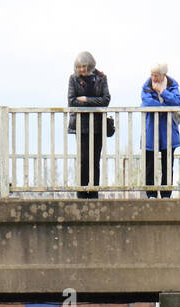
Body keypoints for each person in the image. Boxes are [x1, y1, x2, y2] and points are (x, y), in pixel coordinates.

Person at [67, 52, 110, 198]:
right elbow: (72, 101)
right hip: (81, 124)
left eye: (83, 66)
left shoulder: (101, 78)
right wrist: (93, 102)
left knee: (95, 159)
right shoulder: (73, 79)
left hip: (97, 124)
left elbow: (105, 100)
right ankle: (82, 191)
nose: (81, 70)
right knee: (84, 159)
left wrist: (86, 99)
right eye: (78, 67)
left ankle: (93, 191)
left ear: (90, 65)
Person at [142, 62, 180, 198]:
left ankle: (166, 194)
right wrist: (165, 106)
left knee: (167, 165)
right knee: (149, 165)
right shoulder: (146, 86)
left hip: (168, 131)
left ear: (163, 75)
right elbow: (146, 103)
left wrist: (162, 92)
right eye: (152, 75)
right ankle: (151, 193)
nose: (154, 78)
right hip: (151, 130)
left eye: (157, 76)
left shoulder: (172, 85)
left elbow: (177, 102)